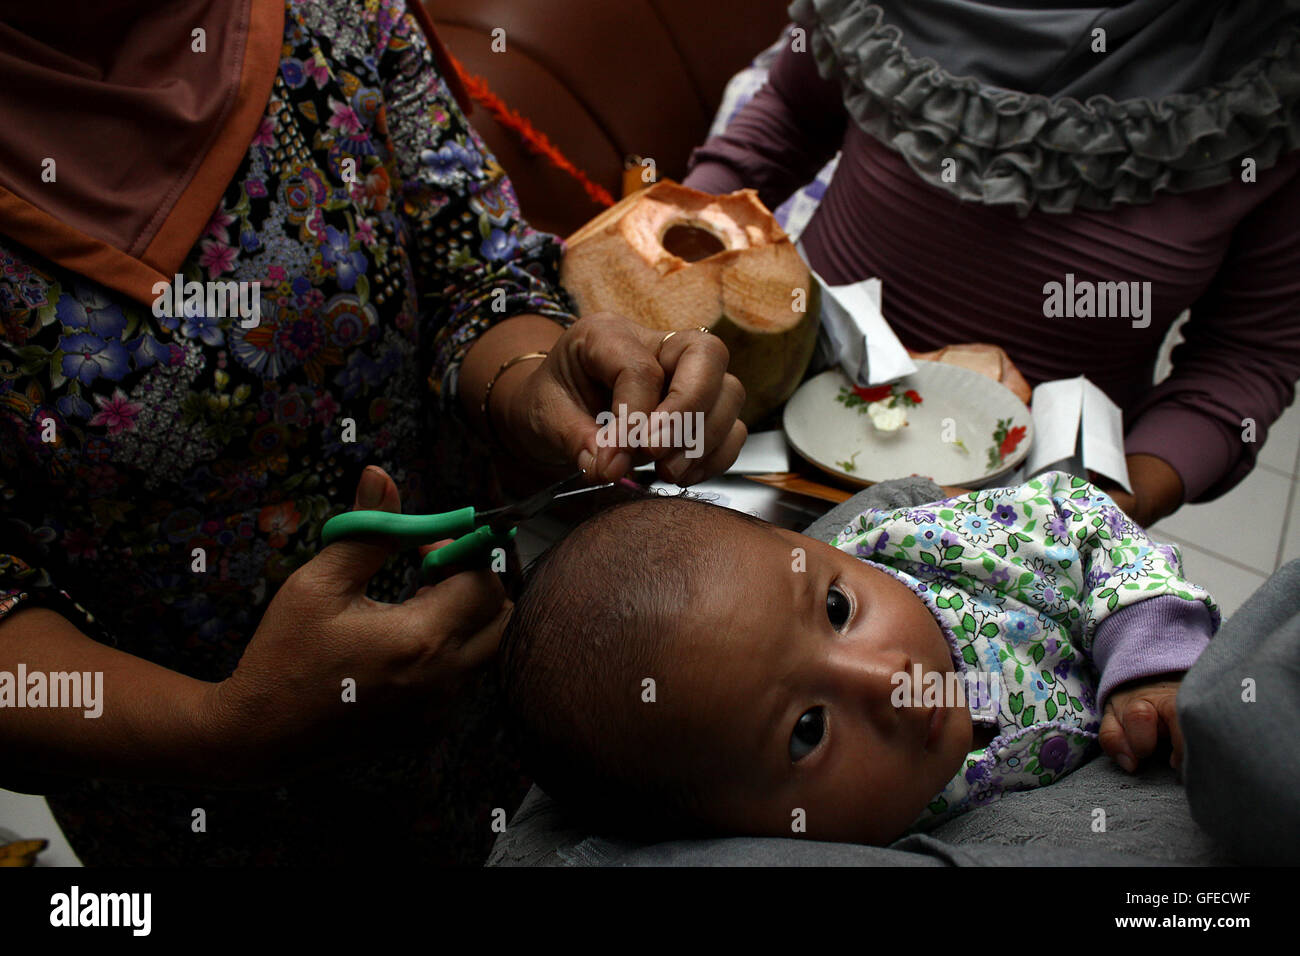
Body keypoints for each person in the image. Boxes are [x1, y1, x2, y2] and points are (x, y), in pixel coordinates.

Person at [0, 0, 744, 864]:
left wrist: (542, 379)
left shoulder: (333, 15)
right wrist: (227, 729)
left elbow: (472, 277)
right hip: (187, 811)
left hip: (483, 699)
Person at [683, 0, 1300, 526]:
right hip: (771, 401)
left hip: (1034, 505)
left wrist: (1113, 508)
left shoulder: (1274, 70)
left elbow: (1248, 353)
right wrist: (669, 255)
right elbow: (791, 119)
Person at [500, 473, 1218, 845]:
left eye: (839, 610)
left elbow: (1078, 516)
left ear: (823, 548)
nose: (890, 681)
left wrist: (1150, 655)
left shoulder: (937, 551)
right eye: (805, 731)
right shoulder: (863, 840)